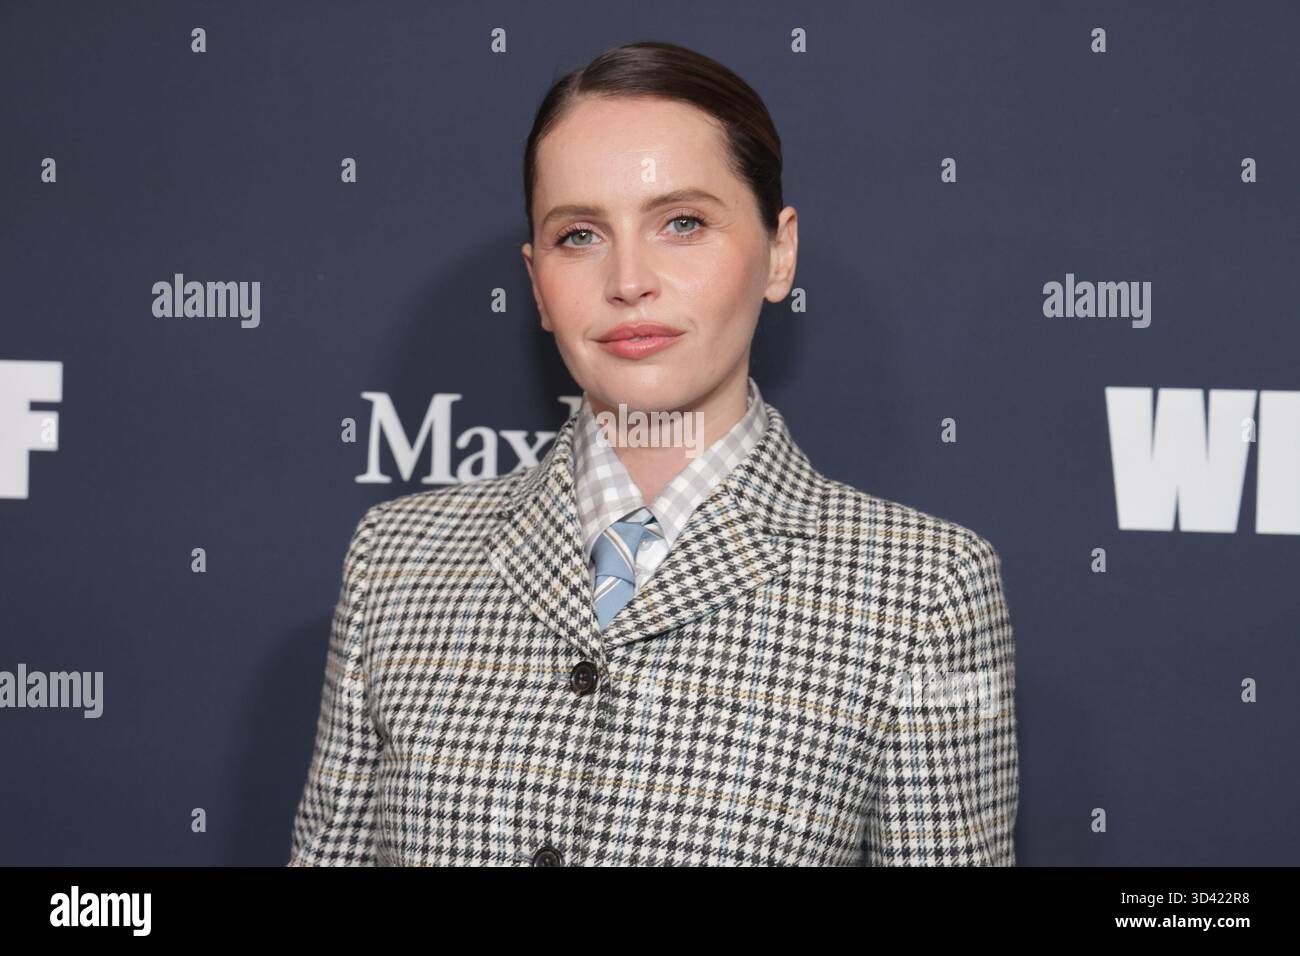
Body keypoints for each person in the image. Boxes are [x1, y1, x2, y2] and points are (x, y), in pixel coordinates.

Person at [288, 40, 1019, 866]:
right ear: (536, 283)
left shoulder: (924, 592)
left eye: (682, 223)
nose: (628, 279)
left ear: (780, 253)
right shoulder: (397, 561)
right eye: (579, 236)